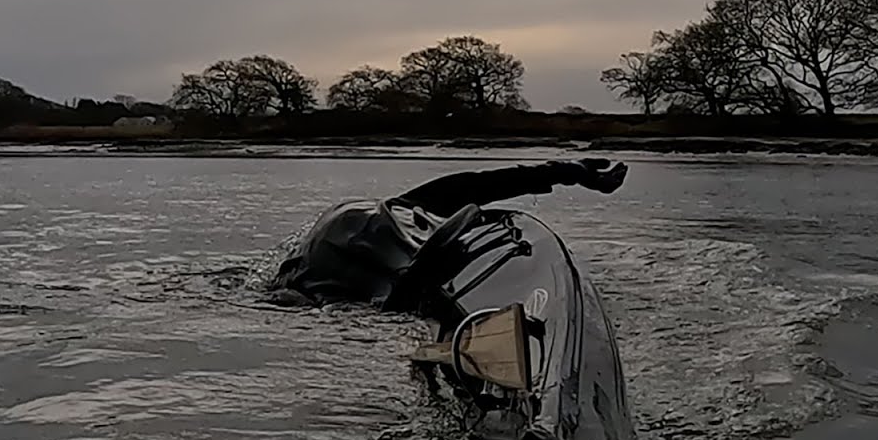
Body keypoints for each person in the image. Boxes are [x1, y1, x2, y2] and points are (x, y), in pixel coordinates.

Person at [268, 158, 628, 308]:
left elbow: (476, 185)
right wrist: (566, 171)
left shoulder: (406, 208)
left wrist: (566, 170)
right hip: (357, 282)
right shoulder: (407, 209)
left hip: (331, 289)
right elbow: (477, 185)